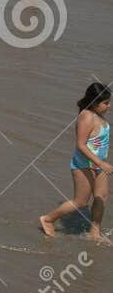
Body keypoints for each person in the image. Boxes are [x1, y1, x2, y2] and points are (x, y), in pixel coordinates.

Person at [39, 83, 111, 242]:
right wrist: (101, 163)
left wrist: (101, 163)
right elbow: (81, 145)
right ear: (95, 102)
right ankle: (48, 219)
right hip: (83, 165)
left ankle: (94, 232)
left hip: (98, 164)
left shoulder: (99, 115)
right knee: (80, 202)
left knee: (101, 197)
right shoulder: (87, 116)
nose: (109, 106)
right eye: (106, 103)